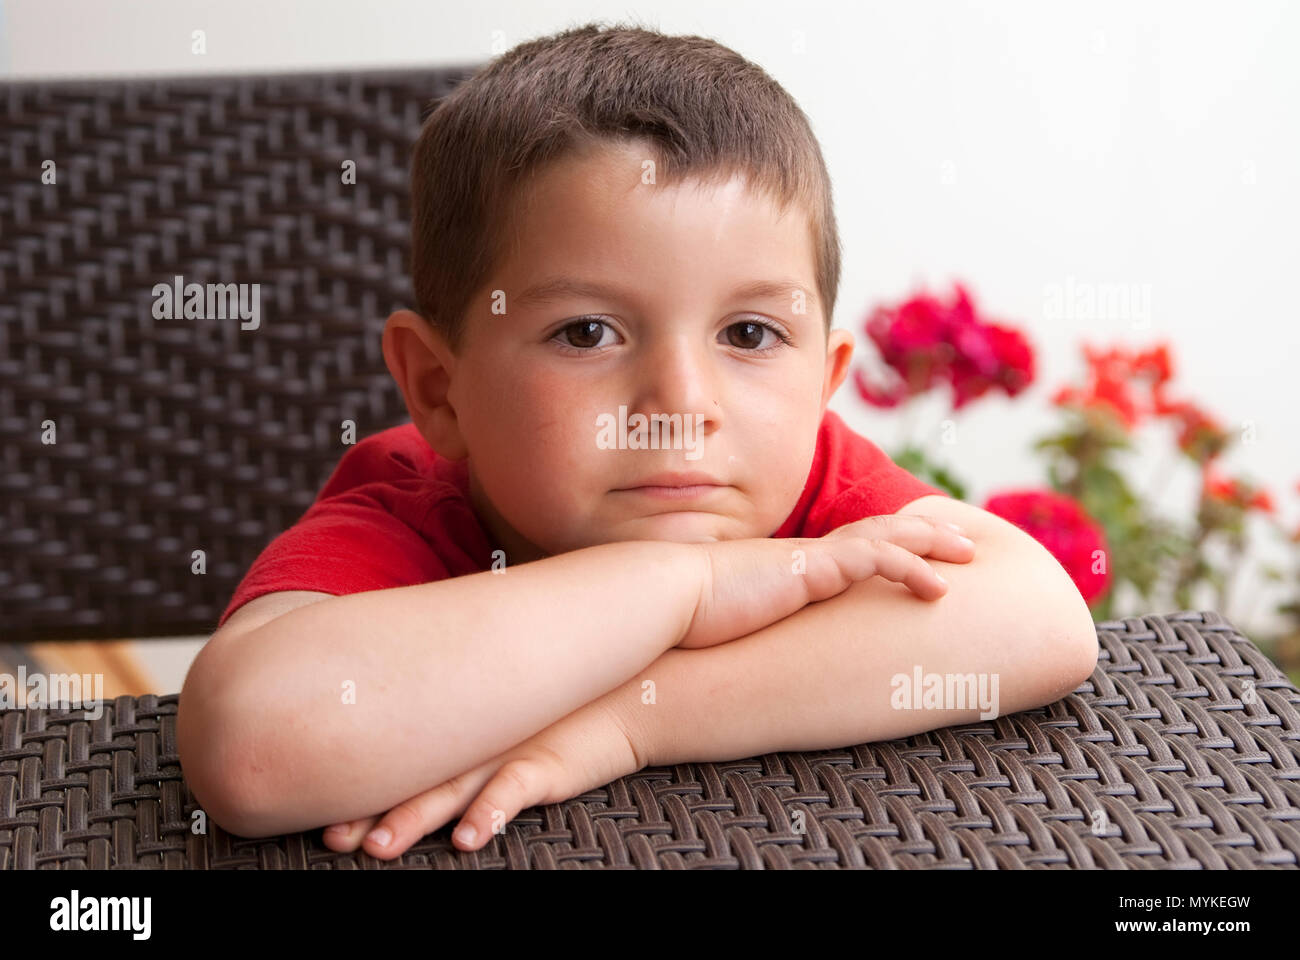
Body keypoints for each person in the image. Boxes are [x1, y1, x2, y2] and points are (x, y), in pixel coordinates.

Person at [176, 22, 1098, 860]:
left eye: (748, 335)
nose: (681, 406)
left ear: (824, 379)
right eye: (586, 333)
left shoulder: (808, 478)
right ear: (437, 387)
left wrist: (629, 720)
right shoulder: (412, 506)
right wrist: (684, 585)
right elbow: (250, 751)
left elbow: (1040, 620)